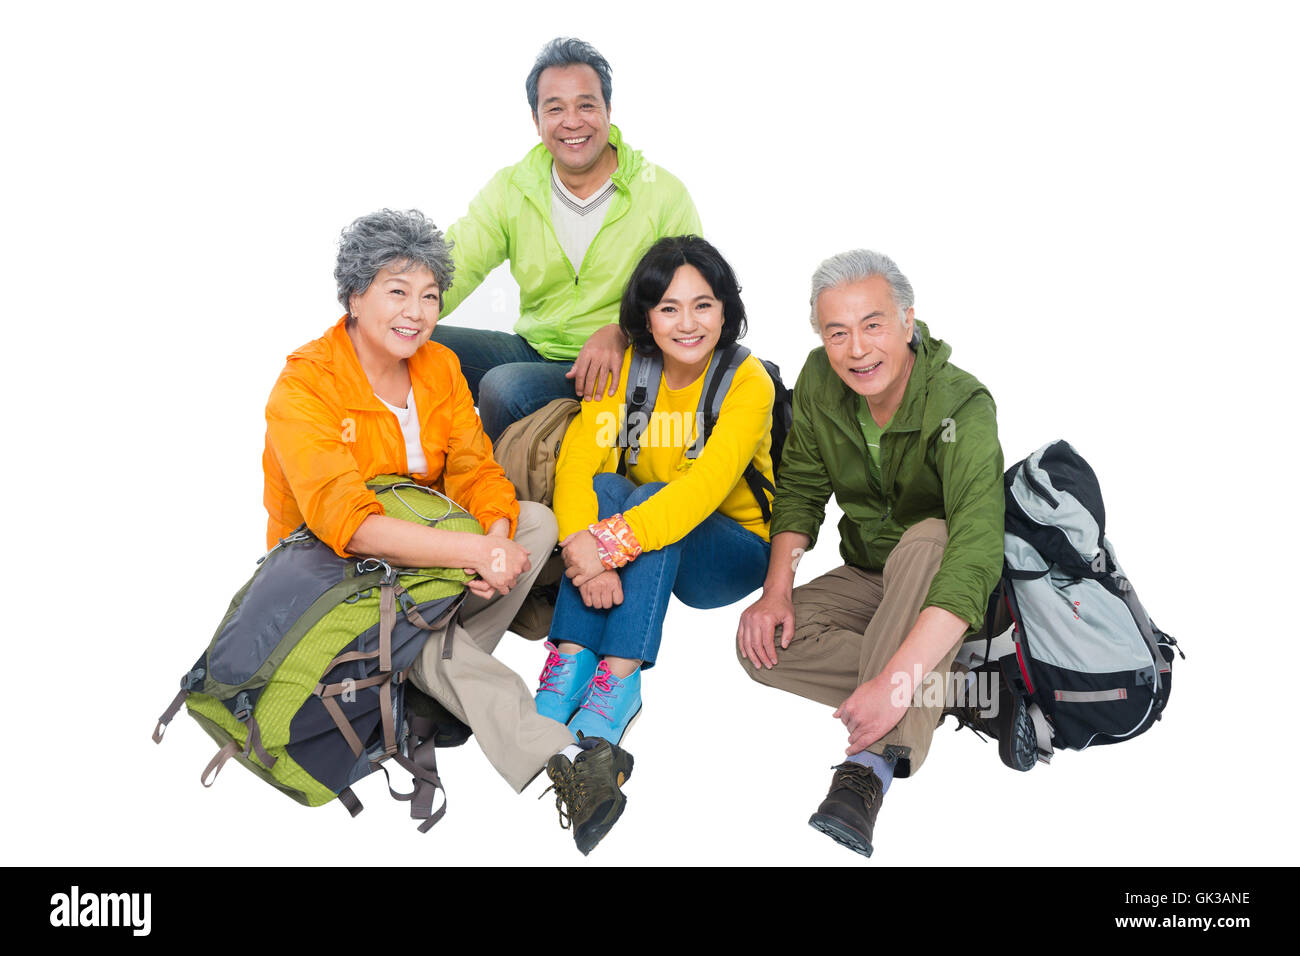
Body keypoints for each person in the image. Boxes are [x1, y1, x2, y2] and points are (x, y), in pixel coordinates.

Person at [262, 209, 633, 855]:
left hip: (424, 556)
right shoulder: (304, 384)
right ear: (355, 295)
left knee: (535, 521)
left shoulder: (436, 367)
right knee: (411, 623)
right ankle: (565, 756)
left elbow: (473, 467)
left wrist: (494, 533)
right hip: (334, 577)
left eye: (429, 295)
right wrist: (474, 550)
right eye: (396, 291)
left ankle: (423, 689)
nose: (416, 311)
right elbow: (348, 523)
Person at [734, 249, 1005, 859]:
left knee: (931, 536)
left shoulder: (962, 405)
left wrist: (895, 680)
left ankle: (866, 774)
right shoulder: (821, 383)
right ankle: (958, 688)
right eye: (837, 332)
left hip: (946, 583)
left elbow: (975, 554)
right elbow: (801, 489)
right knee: (760, 648)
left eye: (873, 325)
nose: (857, 349)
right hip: (866, 573)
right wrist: (775, 592)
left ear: (909, 321)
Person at [538, 235, 774, 744]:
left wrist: (604, 547)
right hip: (641, 540)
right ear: (646, 317)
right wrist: (584, 548)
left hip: (731, 552)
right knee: (603, 482)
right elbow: (580, 460)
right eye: (669, 308)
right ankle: (573, 661)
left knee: (650, 497)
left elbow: (702, 490)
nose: (687, 324)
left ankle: (618, 682)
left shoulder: (747, 382)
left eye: (703, 306)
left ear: (725, 309)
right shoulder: (627, 368)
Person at [432, 37, 702, 441]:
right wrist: (391, 305)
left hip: (630, 363)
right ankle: (416, 475)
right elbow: (454, 264)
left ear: (608, 110)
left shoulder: (661, 192)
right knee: (413, 343)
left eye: (586, 105)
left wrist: (624, 331)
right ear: (535, 119)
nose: (572, 122)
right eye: (555, 108)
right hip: (536, 350)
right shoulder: (513, 187)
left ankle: (513, 496)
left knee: (505, 387)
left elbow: (692, 303)